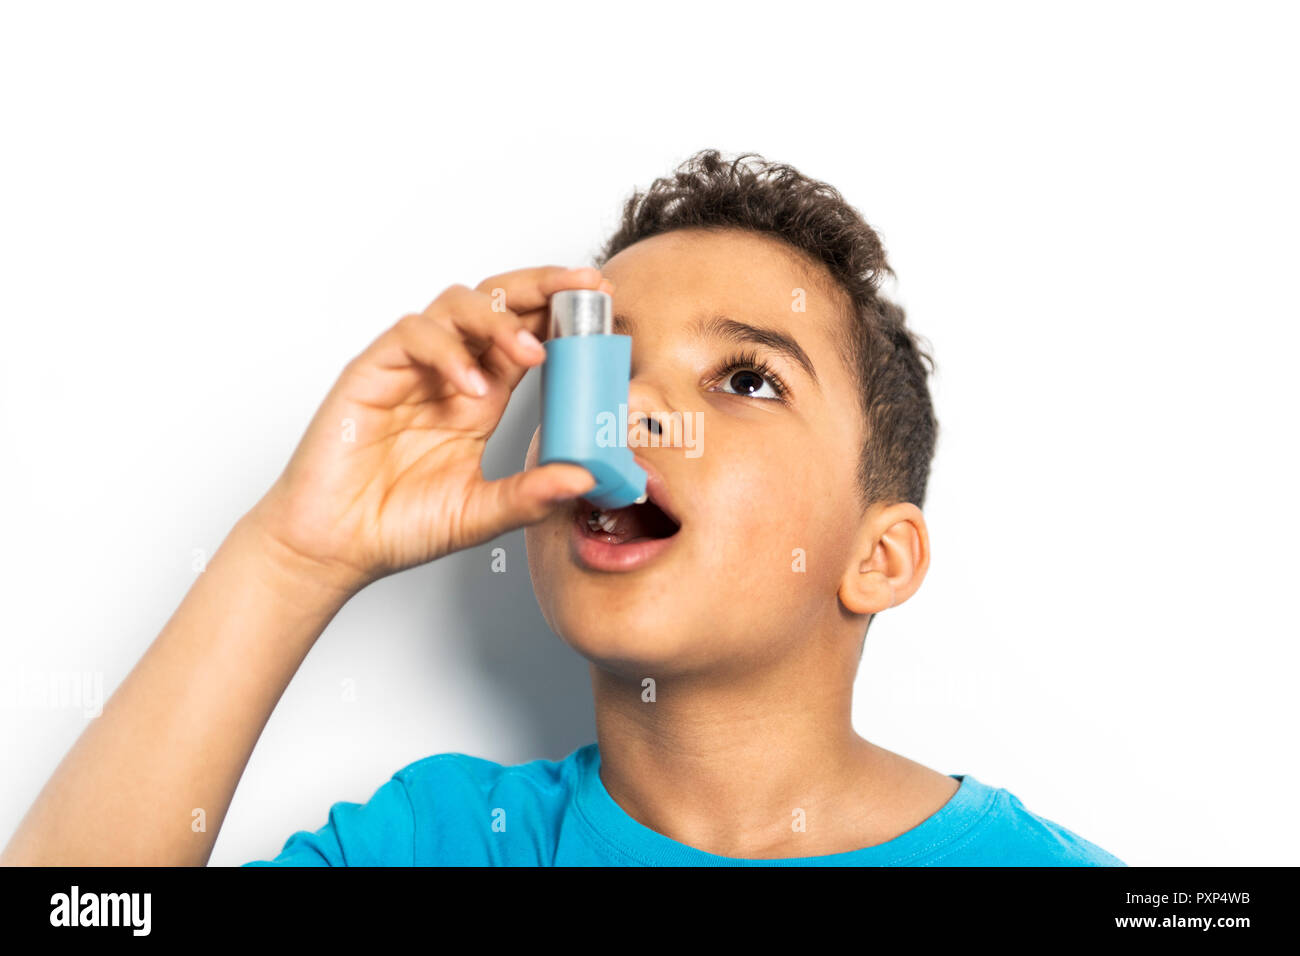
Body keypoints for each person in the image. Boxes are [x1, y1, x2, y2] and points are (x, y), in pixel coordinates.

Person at [1, 150, 1123, 866]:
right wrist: (297, 551)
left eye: (745, 379)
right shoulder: (433, 843)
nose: (628, 408)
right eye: (593, 365)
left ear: (878, 556)